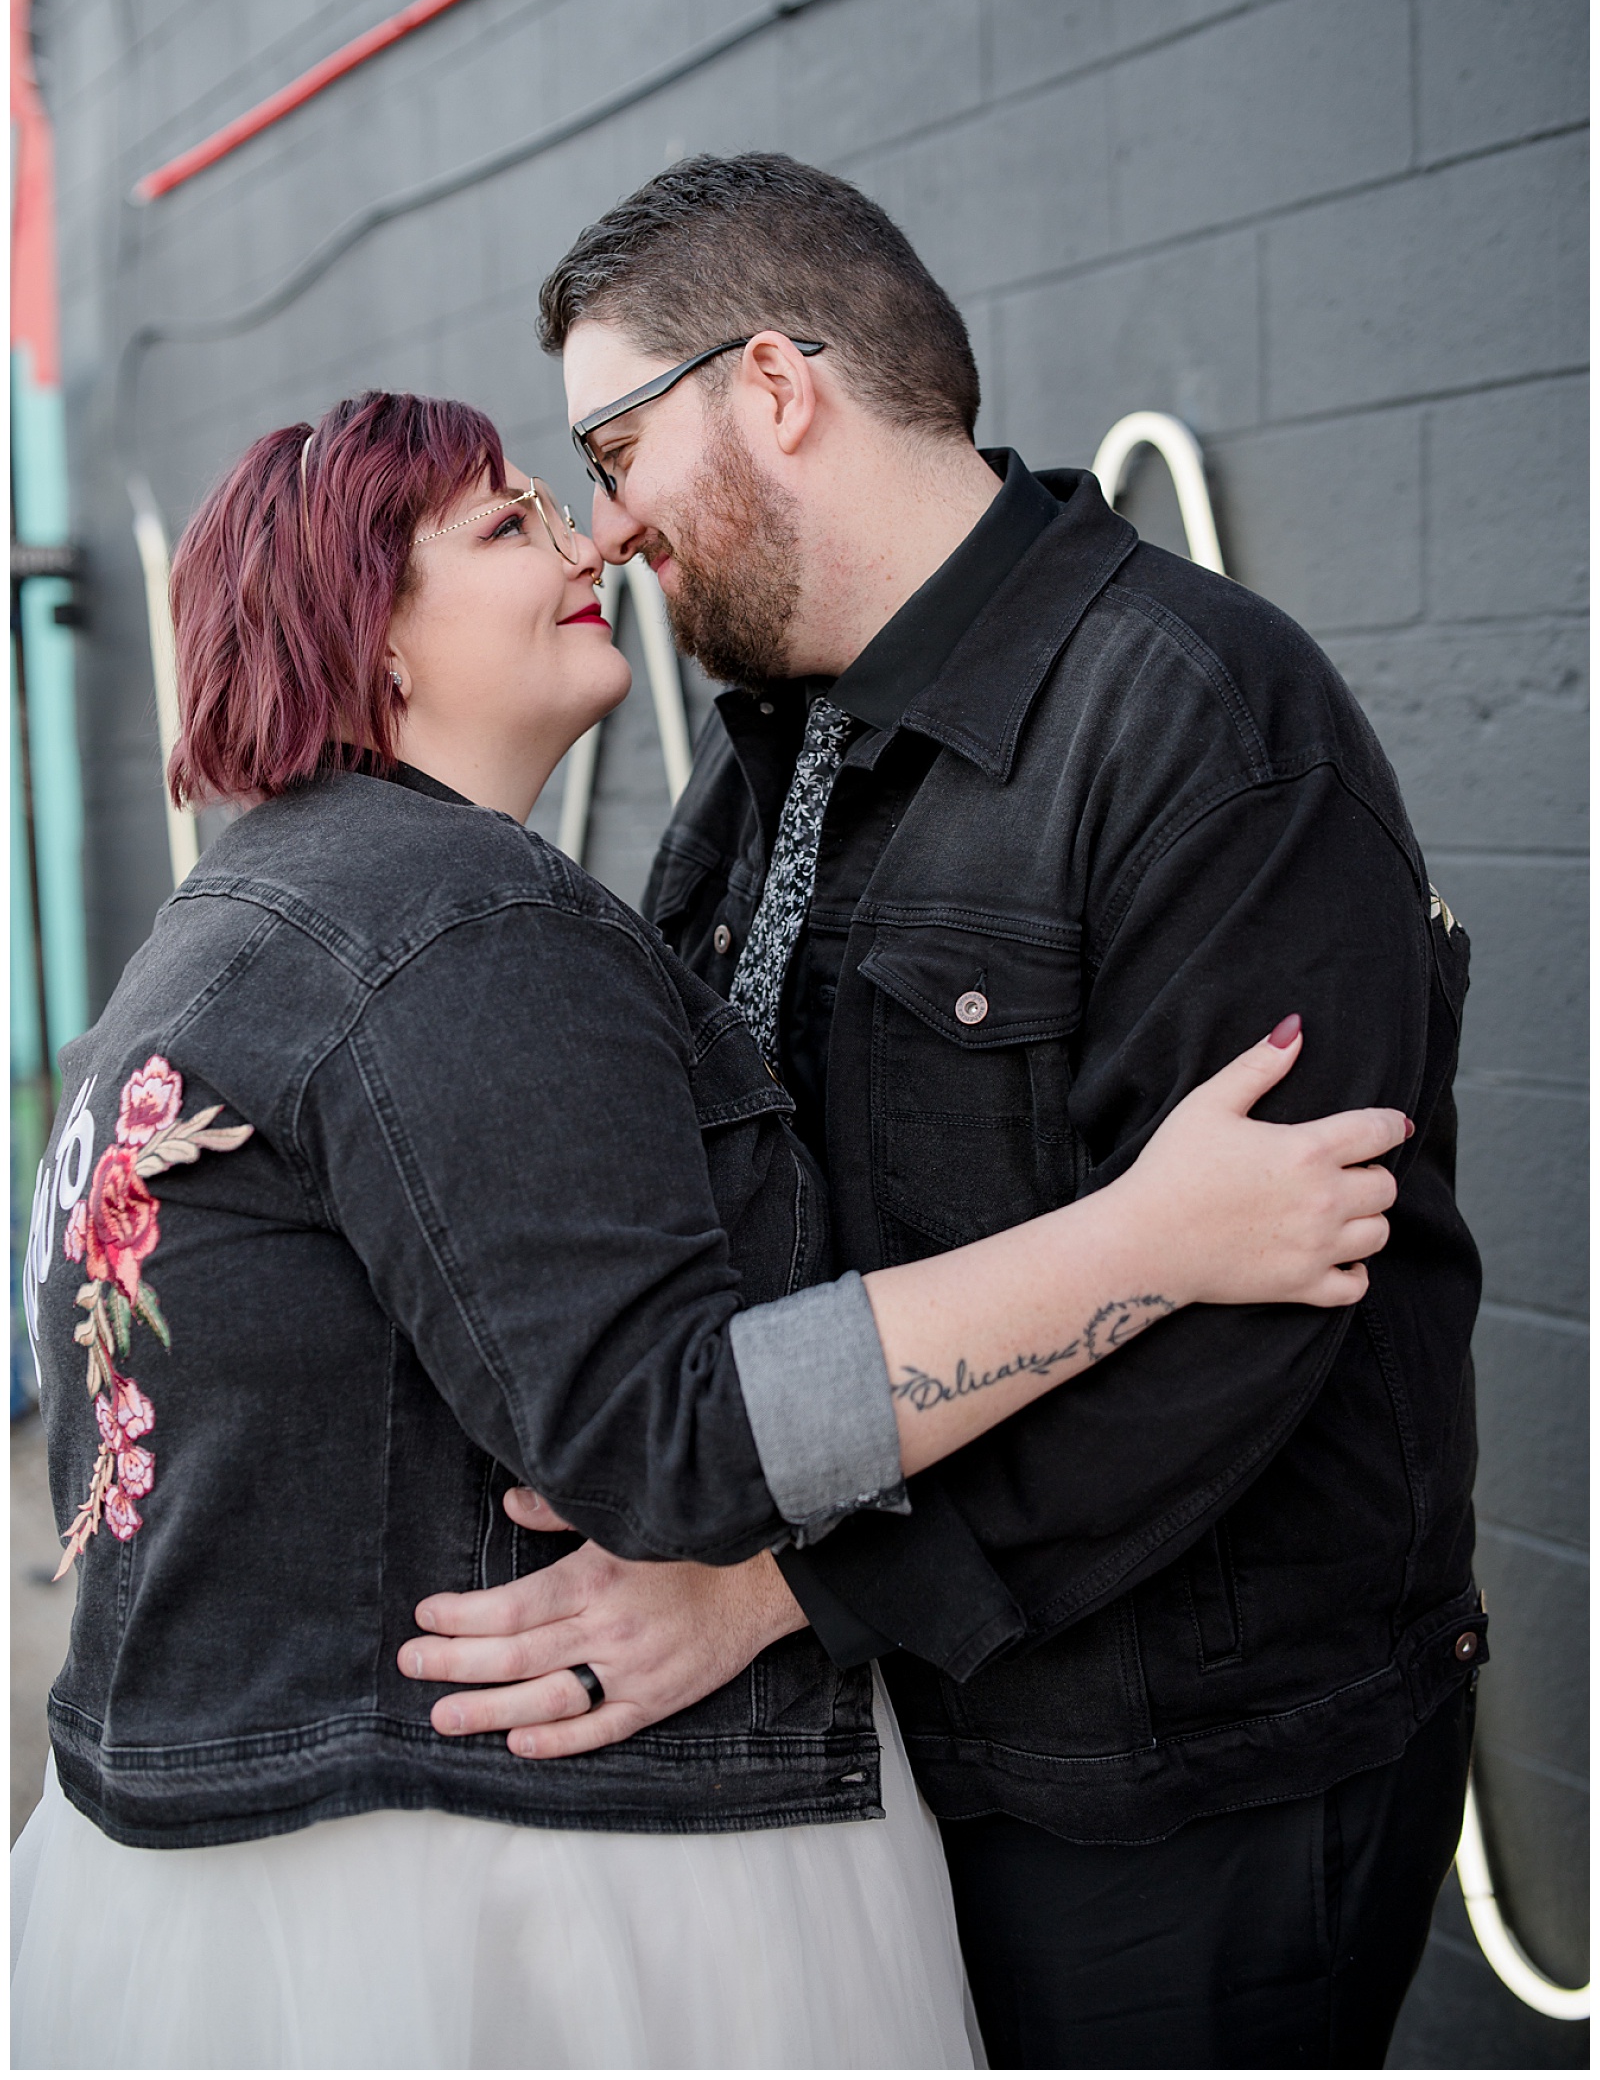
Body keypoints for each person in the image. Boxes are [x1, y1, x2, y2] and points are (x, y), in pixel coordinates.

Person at [10, 390, 1404, 2072]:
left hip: (264, 1853)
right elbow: (676, 1440)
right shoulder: (449, 920)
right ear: (368, 623)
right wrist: (1151, 1239)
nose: (590, 537)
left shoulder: (229, 925)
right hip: (522, 1902)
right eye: (512, 523)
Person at [410, 156, 1486, 2070]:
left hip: (1175, 1781)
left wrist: (775, 1590)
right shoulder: (765, 765)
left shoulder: (1201, 721)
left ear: (773, 388)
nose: (604, 521)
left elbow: (1256, 1316)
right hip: (911, 1746)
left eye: (612, 439)